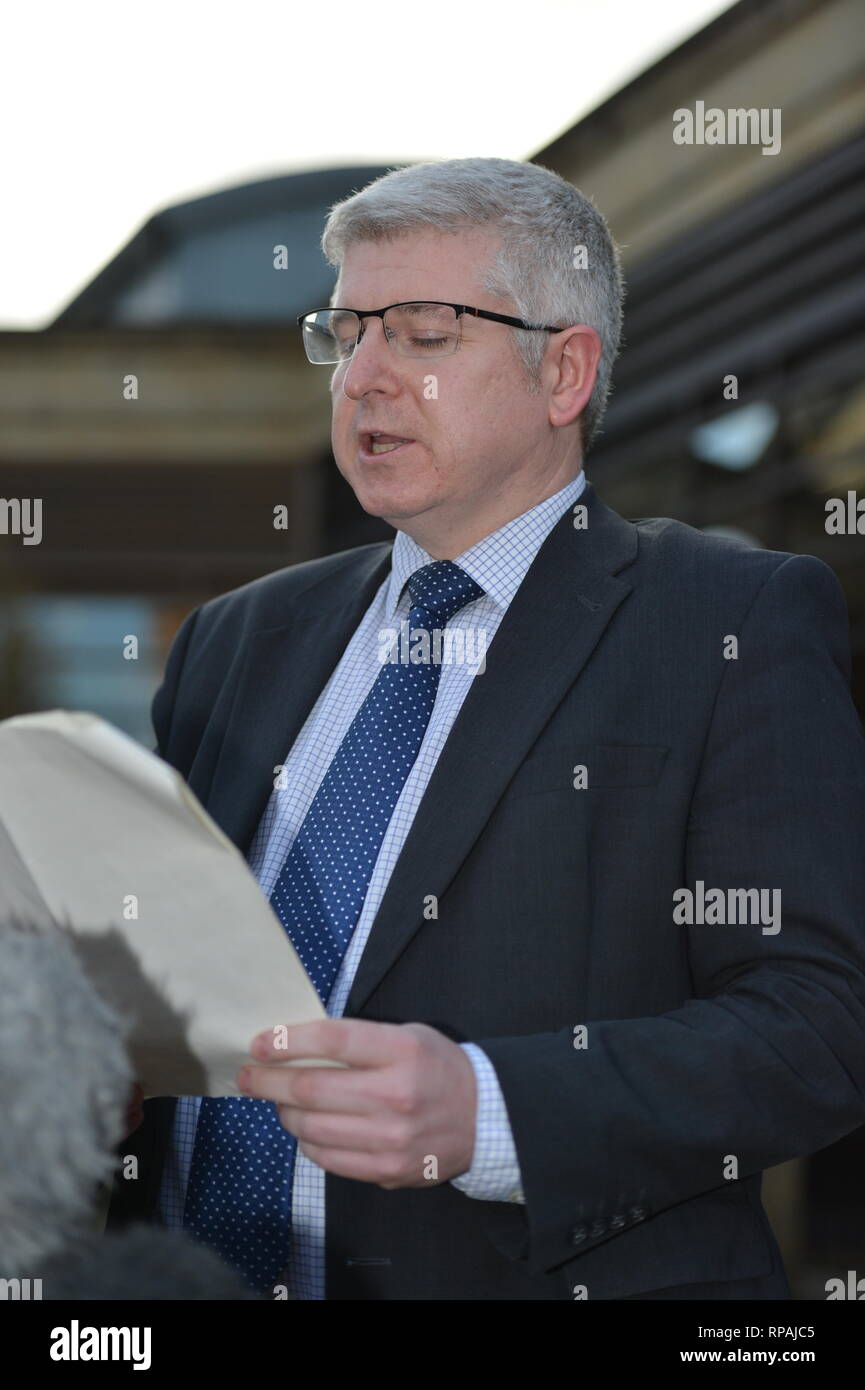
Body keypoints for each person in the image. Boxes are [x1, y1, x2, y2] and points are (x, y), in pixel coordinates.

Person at [107, 156, 865, 1300]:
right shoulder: (238, 636)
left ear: (563, 371)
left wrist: (491, 1109)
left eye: (420, 334)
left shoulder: (729, 621)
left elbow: (819, 1023)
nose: (361, 377)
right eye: (345, 331)